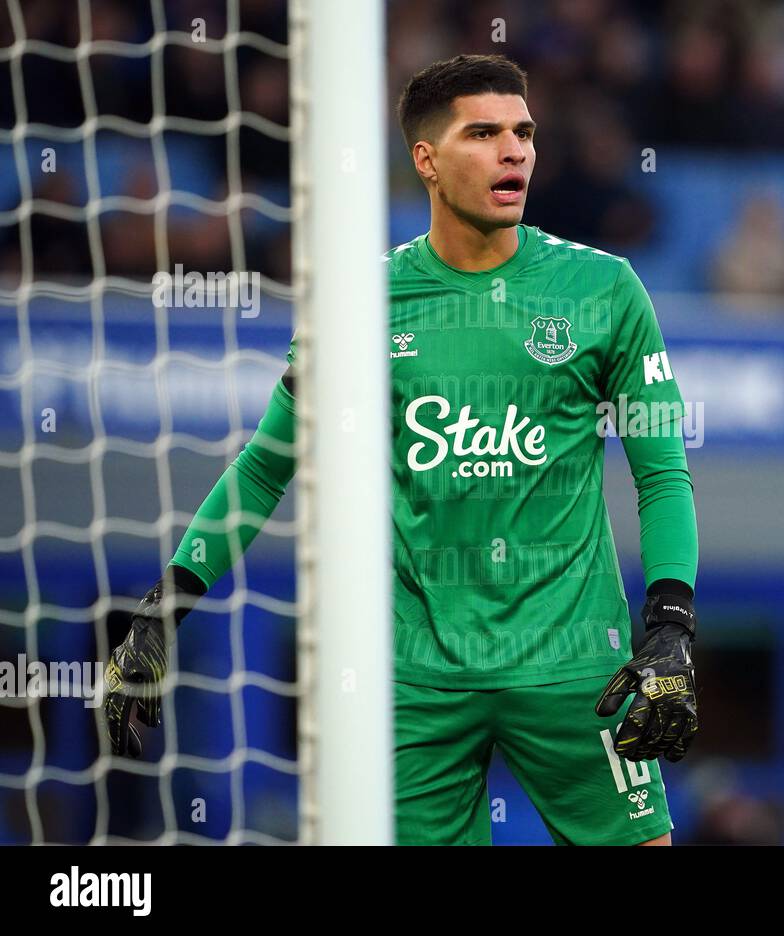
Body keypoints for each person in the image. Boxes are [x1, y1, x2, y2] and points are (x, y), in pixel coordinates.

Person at [103, 54, 700, 846]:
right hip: (416, 676)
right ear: (426, 159)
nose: (514, 150)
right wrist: (166, 605)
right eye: (483, 134)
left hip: (575, 669)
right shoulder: (359, 301)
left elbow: (661, 474)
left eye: (523, 132)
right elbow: (266, 466)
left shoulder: (604, 291)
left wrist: (670, 626)